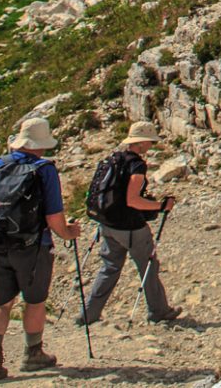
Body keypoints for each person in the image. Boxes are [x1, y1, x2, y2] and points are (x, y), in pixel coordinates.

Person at [0, 117, 81, 381]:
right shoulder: (44, 170)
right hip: (34, 247)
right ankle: (33, 354)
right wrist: (68, 232)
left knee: (0, 303)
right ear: (41, 144)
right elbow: (54, 217)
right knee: (34, 301)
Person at [77, 121, 183, 328]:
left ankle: (88, 314)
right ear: (141, 142)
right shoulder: (137, 165)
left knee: (109, 268)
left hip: (107, 224)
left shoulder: (113, 159)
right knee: (148, 266)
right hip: (130, 227)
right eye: (150, 141)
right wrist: (161, 205)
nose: (151, 145)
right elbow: (132, 200)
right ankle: (159, 311)